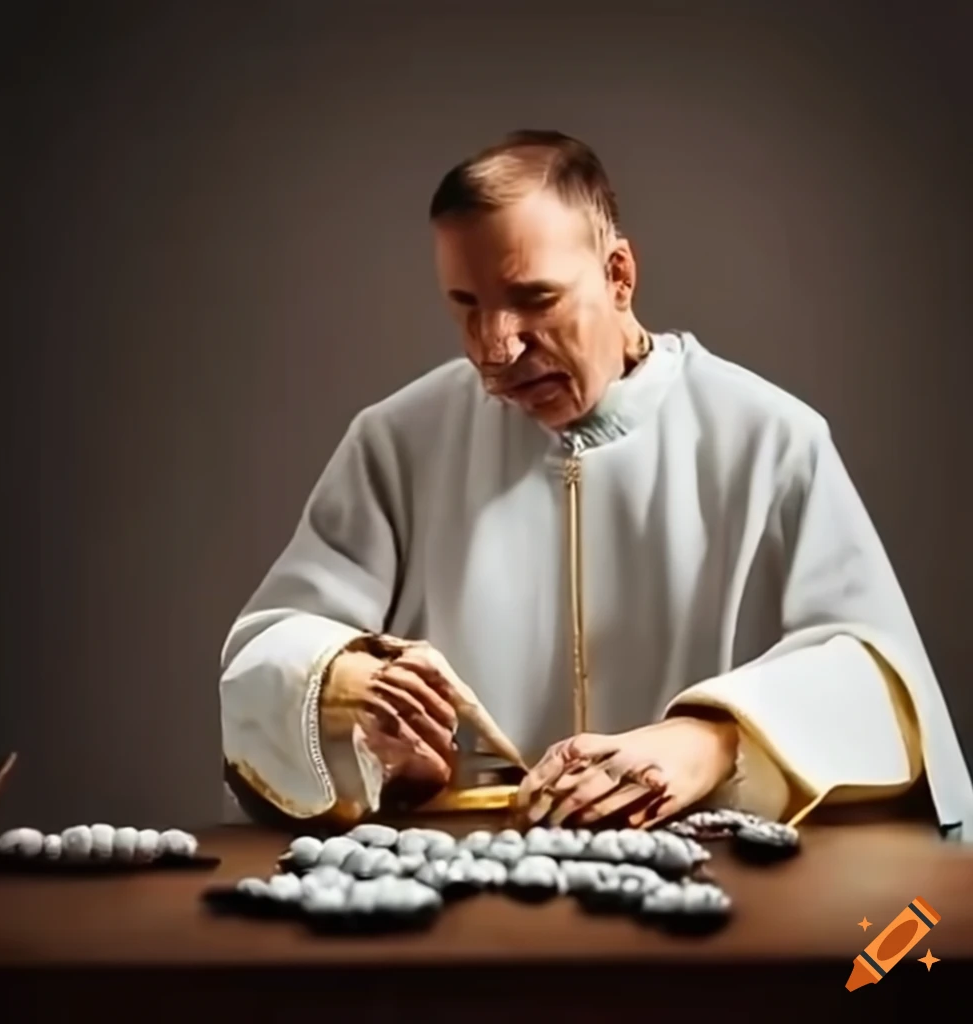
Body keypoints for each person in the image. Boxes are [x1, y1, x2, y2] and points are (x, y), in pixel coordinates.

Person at [219, 129, 973, 842]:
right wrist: (340, 684)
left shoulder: (772, 439)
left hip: (715, 889)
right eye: (466, 304)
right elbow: (271, 646)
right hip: (466, 889)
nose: (495, 348)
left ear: (618, 275)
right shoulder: (397, 441)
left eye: (534, 299)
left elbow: (878, 684)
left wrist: (711, 739)